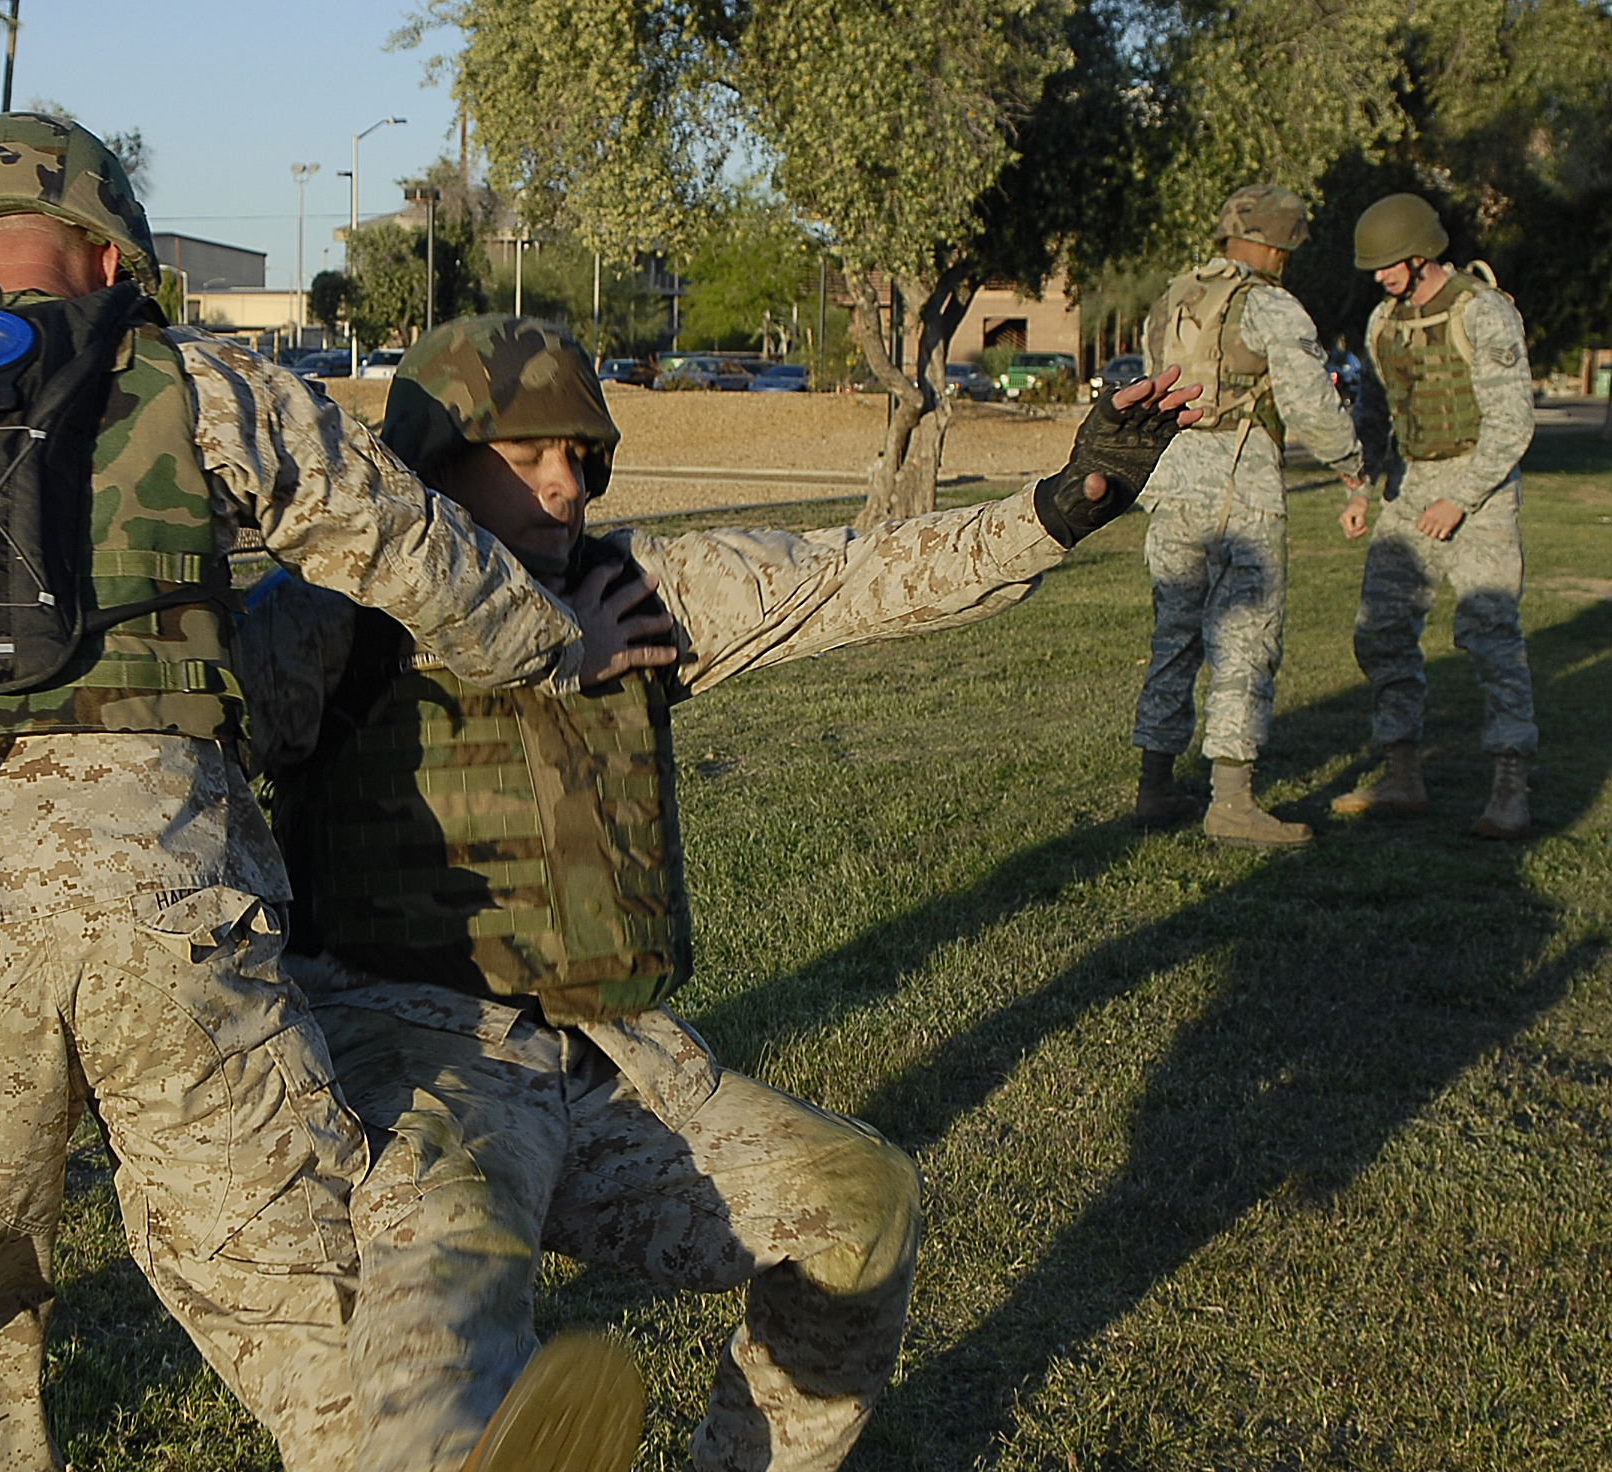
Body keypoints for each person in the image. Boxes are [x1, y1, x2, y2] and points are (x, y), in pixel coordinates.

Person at [0, 115, 663, 1472]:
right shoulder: (195, 382)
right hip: (163, 894)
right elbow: (401, 539)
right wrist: (544, 643)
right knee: (288, 1274)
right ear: (115, 257)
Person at [231, 315, 1201, 1472]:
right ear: (430, 468)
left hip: (609, 1064)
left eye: (579, 457)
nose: (563, 485)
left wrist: (1057, 508)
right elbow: (173, 762)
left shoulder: (637, 591)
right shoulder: (325, 621)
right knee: (443, 1295)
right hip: (416, 1065)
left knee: (859, 1202)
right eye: (525, 456)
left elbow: (851, 577)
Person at [1131, 184, 1365, 845]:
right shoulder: (1270, 306)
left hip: (1172, 485)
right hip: (1242, 488)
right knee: (1245, 639)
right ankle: (1232, 803)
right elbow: (1311, 404)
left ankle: (1155, 786)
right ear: (1279, 244)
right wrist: (1351, 466)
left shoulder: (1173, 297)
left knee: (1172, 638)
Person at [1333, 192, 1538, 840]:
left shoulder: (1483, 312)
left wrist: (1461, 499)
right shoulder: (1382, 323)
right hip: (1411, 482)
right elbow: (1373, 416)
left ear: (1422, 254)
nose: (1380, 277)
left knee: (1489, 632)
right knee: (1381, 630)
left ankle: (1510, 785)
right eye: (1374, 267)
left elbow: (1512, 423)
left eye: (1389, 264)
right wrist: (1360, 488)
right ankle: (1402, 774)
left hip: (1481, 486)